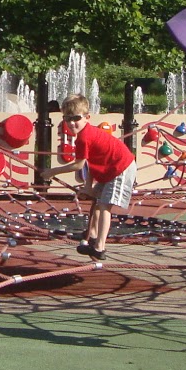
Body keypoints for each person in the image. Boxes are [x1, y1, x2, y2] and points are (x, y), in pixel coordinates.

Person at [49, 94, 136, 260]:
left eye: (76, 118)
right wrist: (88, 187)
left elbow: (79, 165)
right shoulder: (84, 135)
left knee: (104, 206)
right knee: (96, 201)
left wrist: (52, 172)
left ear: (87, 118)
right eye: (67, 119)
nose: (71, 123)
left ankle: (100, 247)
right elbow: (90, 163)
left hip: (121, 168)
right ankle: (93, 234)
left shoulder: (84, 137)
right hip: (109, 169)